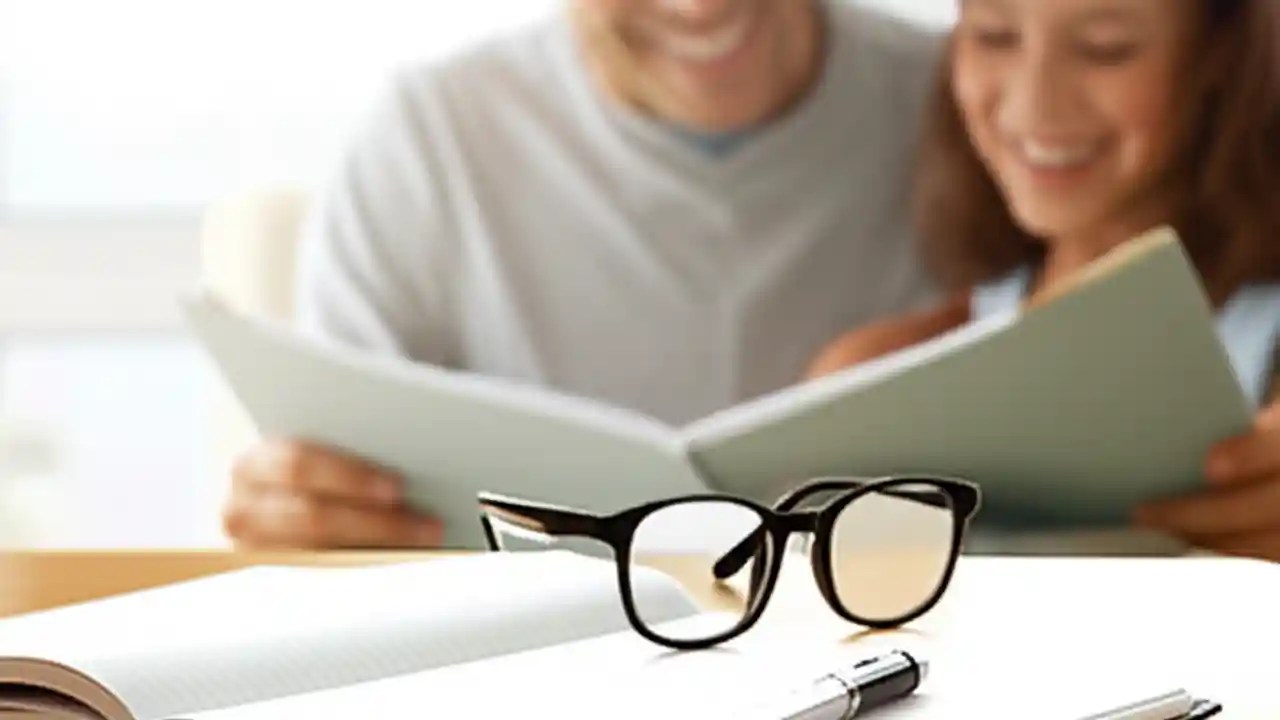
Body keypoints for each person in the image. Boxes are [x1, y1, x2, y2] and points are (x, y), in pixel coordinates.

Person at [223, 0, 947, 549]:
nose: (699, 8)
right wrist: (307, 511)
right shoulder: (431, 140)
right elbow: (335, 487)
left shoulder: (974, 101)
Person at [810, 0, 1280, 560]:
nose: (1034, 104)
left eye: (1105, 49)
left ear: (1219, 54)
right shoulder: (878, 369)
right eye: (994, 36)